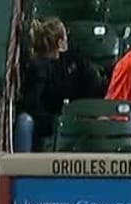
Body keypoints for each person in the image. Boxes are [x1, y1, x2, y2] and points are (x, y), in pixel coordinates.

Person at [14, 17, 104, 153]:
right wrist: (55, 121)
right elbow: (32, 104)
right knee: (24, 122)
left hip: (75, 117)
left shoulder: (73, 57)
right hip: (47, 121)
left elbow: (92, 80)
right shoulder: (38, 67)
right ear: (60, 42)